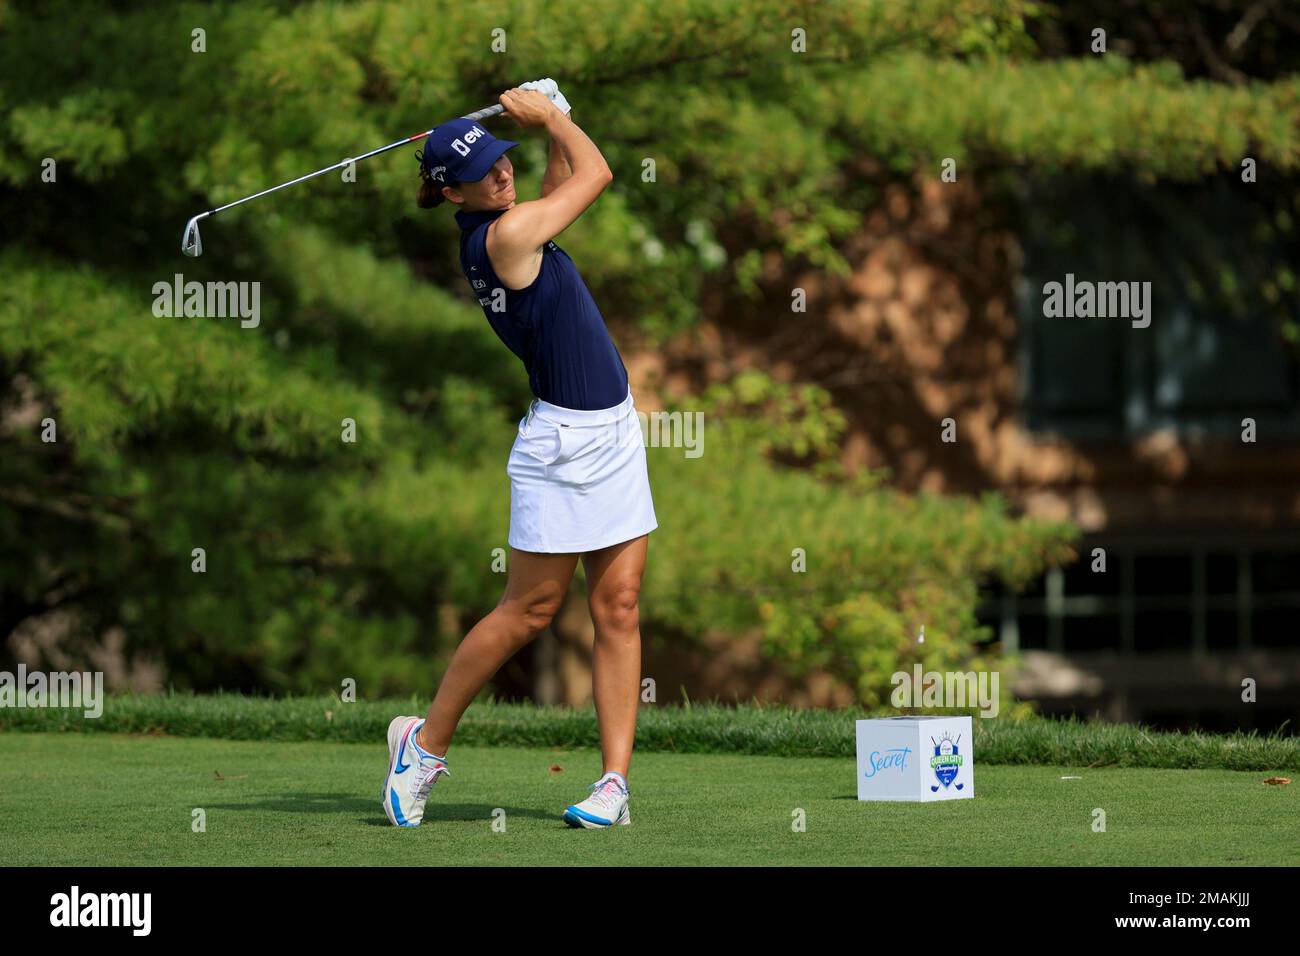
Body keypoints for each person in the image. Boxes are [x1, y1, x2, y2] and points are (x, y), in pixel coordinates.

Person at [381, 81, 656, 829]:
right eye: (485, 169)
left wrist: (545, 130)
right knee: (530, 610)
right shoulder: (502, 239)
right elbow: (596, 176)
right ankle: (424, 748)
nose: (502, 172)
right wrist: (555, 118)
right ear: (451, 193)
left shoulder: (511, 220)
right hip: (560, 448)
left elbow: (557, 184)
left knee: (619, 607)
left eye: (504, 159)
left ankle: (613, 786)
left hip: (614, 433)